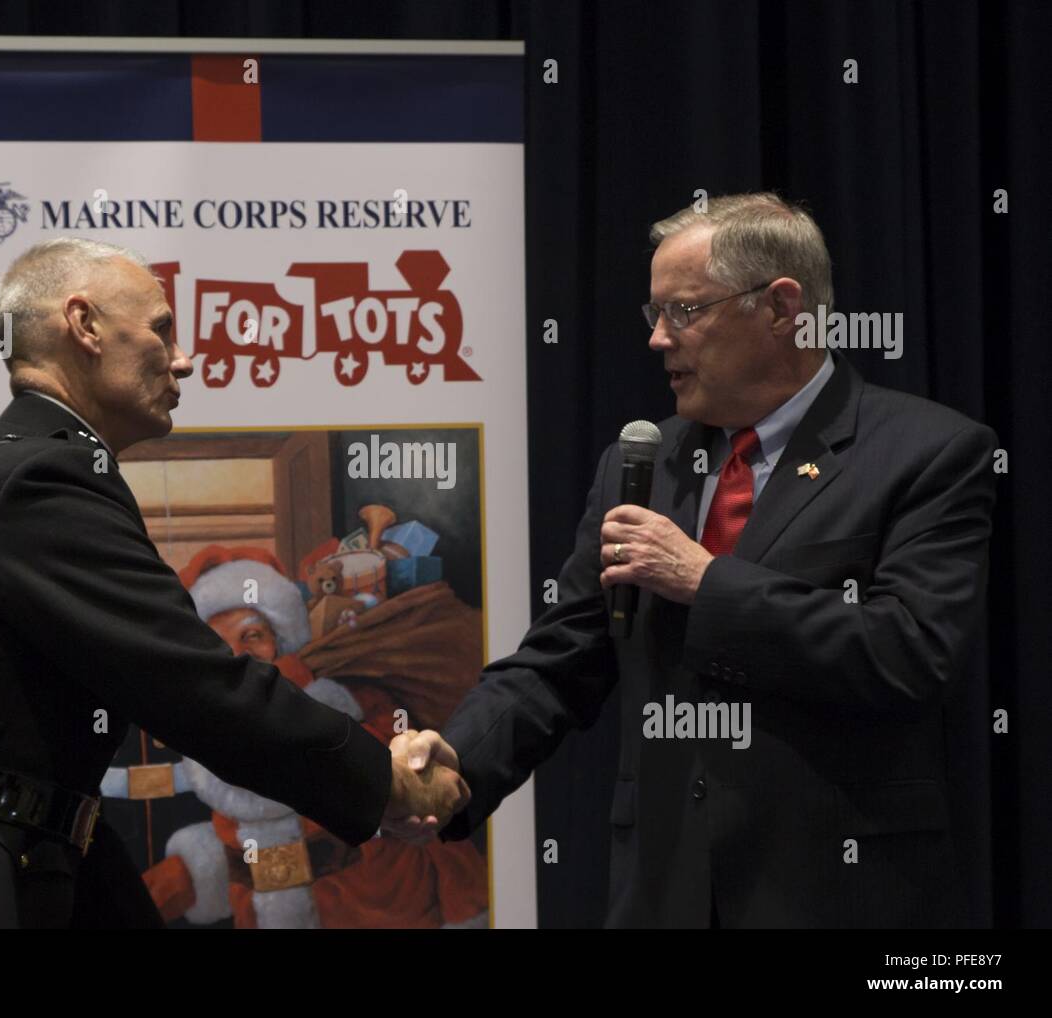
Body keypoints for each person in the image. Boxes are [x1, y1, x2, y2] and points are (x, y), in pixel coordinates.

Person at [0, 237, 465, 929]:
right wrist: (385, 779)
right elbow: (196, 686)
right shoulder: (43, 481)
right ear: (85, 325)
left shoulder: (13, 467)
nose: (184, 359)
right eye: (162, 330)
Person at [397, 193, 998, 928]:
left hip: (838, 893)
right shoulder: (641, 463)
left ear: (781, 308)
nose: (657, 340)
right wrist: (456, 761)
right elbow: (563, 656)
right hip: (663, 892)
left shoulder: (927, 452)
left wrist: (705, 581)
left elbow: (911, 652)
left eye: (683, 311)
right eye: (652, 315)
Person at [117, 545, 488, 928]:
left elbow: (401, 781)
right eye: (219, 644)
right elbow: (216, 825)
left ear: (282, 638)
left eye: (253, 635)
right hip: (264, 906)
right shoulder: (210, 735)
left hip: (372, 900)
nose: (238, 655)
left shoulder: (347, 702)